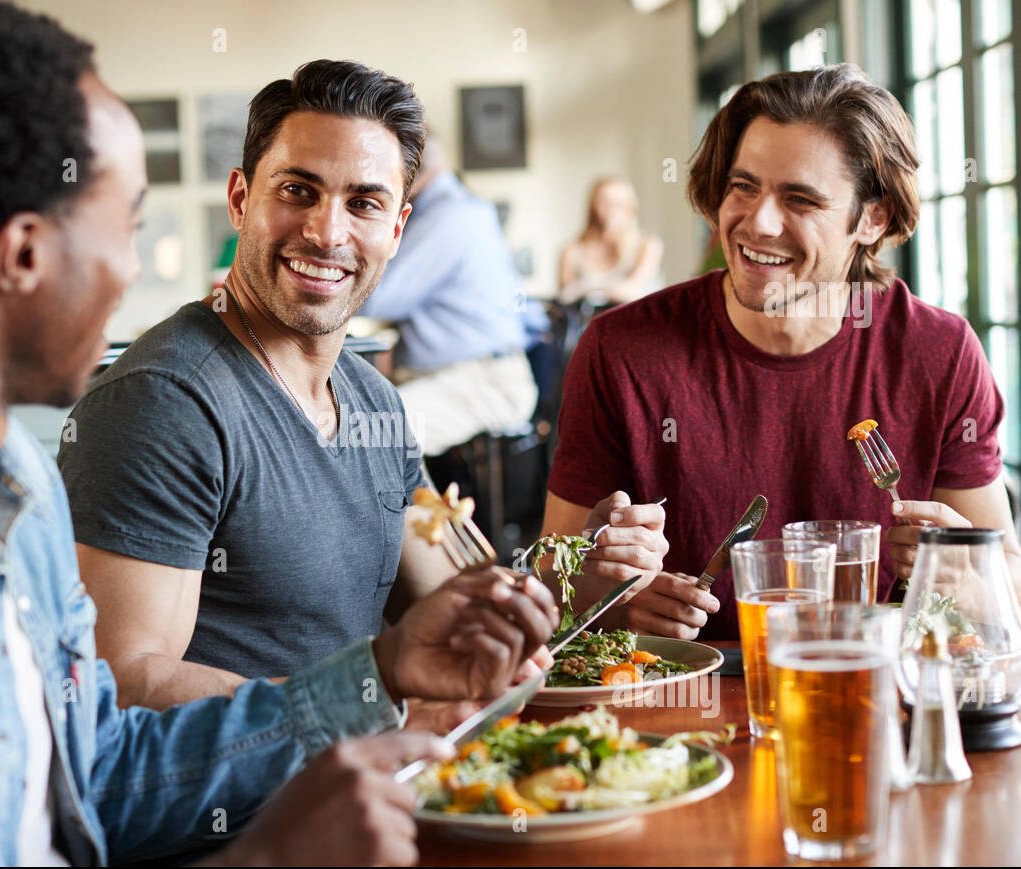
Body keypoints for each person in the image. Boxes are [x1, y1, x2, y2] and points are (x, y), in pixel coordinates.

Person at [0, 0, 564, 866]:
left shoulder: (11, 480)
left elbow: (94, 774)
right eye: (127, 225)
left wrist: (376, 680)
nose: (135, 270)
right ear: (23, 256)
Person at [57, 60, 669, 724]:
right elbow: (122, 685)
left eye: (364, 203)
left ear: (397, 230)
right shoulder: (165, 403)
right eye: (297, 190)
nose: (326, 231)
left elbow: (456, 612)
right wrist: (380, 705)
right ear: (240, 200)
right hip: (244, 825)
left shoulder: (373, 402)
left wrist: (581, 575)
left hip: (386, 793)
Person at [543, 64, 1018, 644]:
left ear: (873, 217)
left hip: (869, 698)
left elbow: (1006, 595)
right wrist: (614, 602)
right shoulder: (620, 351)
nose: (757, 222)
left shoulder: (938, 354)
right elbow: (552, 591)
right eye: (744, 186)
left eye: (799, 199)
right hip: (677, 712)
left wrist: (959, 580)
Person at [357, 135, 545, 457]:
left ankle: (426, 509)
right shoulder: (463, 208)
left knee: (369, 435)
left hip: (483, 380)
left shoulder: (447, 216)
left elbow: (377, 297)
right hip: (471, 373)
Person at [557, 176, 663, 308]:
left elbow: (633, 291)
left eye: (620, 203)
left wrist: (587, 291)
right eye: (605, 202)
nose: (612, 209)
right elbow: (565, 299)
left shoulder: (648, 245)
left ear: (631, 207)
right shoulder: (571, 250)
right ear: (593, 206)